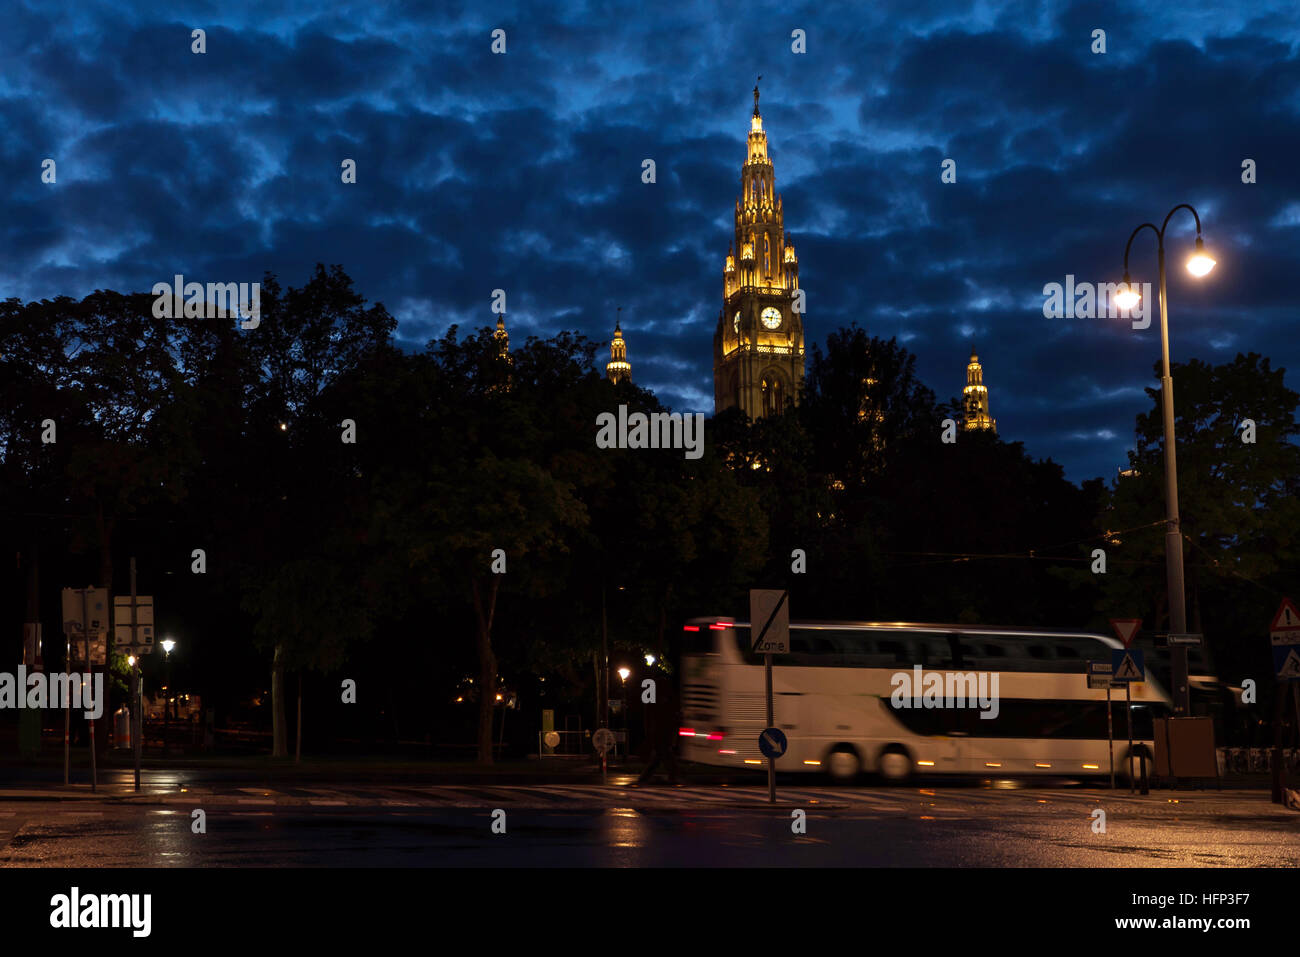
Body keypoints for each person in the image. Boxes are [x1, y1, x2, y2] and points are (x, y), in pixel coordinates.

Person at [637, 670, 681, 785]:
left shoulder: (654, 693)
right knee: (663, 753)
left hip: (659, 729)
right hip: (663, 729)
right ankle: (671, 774)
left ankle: (646, 777)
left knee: (660, 753)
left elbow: (649, 712)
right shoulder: (666, 694)